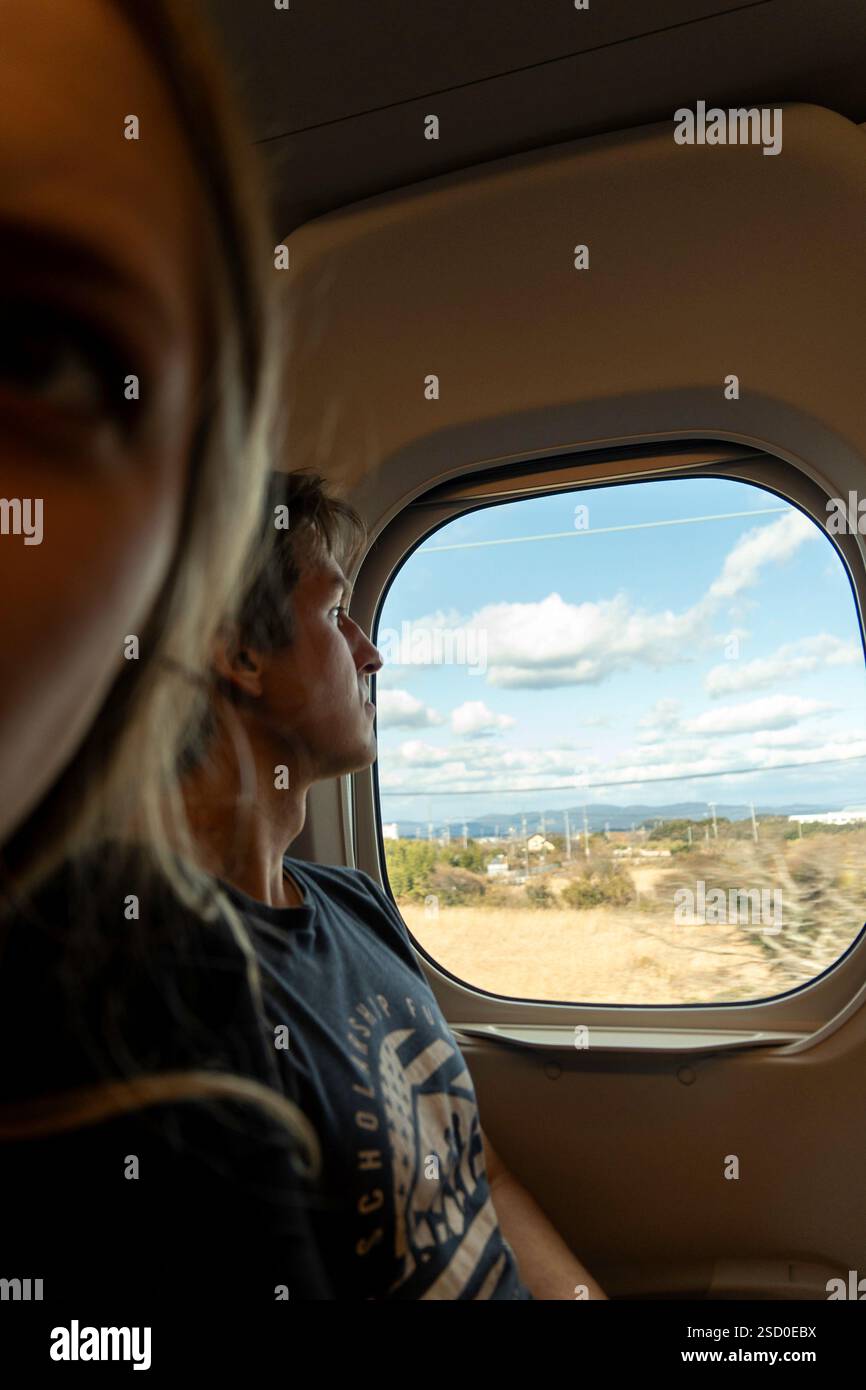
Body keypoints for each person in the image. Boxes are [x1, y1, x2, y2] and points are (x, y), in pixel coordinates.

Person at [0, 0, 333, 1336]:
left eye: (33, 354)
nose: (374, 650)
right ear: (226, 642)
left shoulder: (156, 1010)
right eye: (335, 608)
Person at [179, 468, 609, 1300]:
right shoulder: (174, 984)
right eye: (336, 615)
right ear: (238, 654)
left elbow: (478, 1173)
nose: (370, 652)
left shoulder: (355, 905)